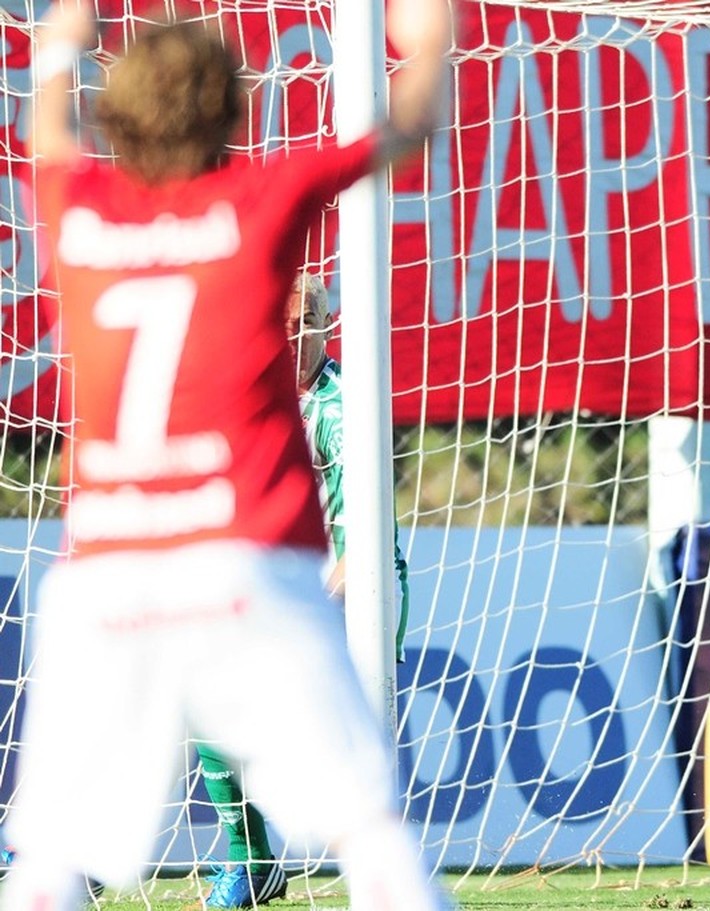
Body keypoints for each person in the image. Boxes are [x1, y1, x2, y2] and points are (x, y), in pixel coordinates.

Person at [4, 0, 452, 908]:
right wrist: (428, 35)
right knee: (370, 830)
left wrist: (61, 42)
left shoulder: (76, 205)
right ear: (234, 115)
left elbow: (45, 127)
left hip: (109, 573)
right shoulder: (261, 202)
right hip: (247, 557)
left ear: (117, 115)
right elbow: (410, 125)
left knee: (49, 857)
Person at [195, 273, 412, 908]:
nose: (294, 334)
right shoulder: (244, 398)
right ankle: (251, 863)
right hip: (283, 588)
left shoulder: (340, 414)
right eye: (283, 321)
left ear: (327, 323)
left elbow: (362, 550)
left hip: (360, 591)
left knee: (343, 752)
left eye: (307, 320)